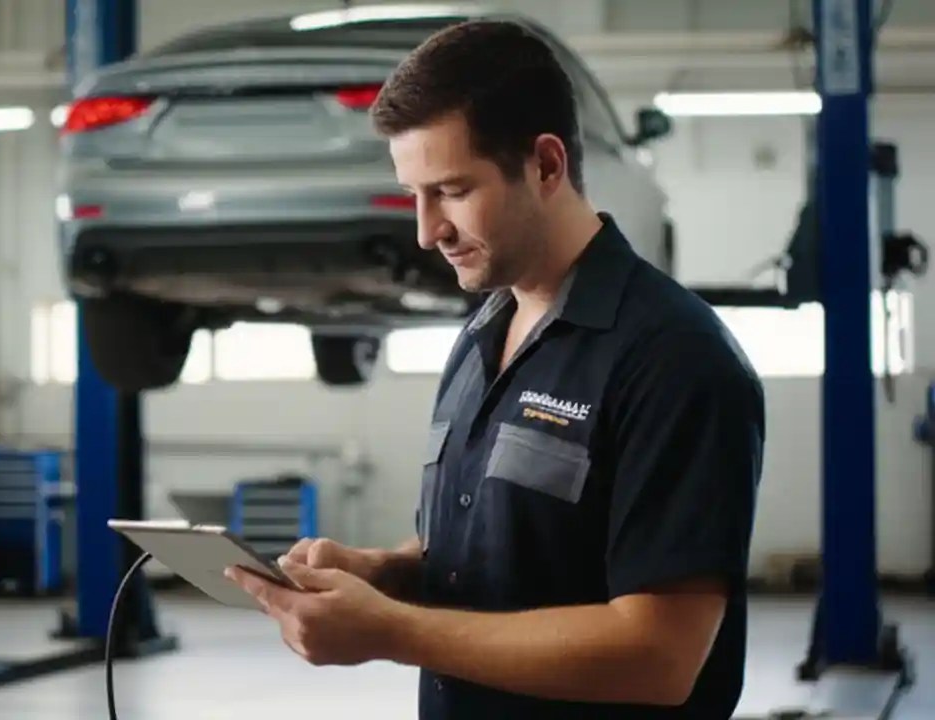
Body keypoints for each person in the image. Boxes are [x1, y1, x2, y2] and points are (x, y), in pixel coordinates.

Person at [225, 18, 766, 720]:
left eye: (450, 190)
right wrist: (382, 574)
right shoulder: (483, 333)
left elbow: (660, 656)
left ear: (545, 165)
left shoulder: (674, 358)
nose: (426, 231)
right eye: (414, 195)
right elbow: (492, 549)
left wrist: (390, 630)